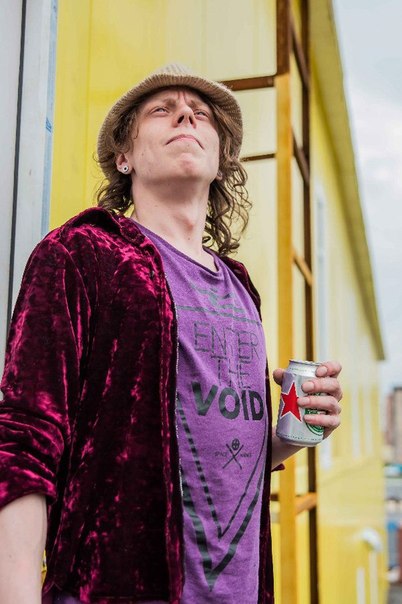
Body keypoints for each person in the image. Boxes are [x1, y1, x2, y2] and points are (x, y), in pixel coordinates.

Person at [0, 64, 342, 604]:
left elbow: (201, 448)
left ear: (220, 161)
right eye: (162, 110)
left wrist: (290, 434)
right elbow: (25, 436)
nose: (186, 115)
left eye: (201, 114)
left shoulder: (240, 286)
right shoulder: (83, 254)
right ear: (124, 156)